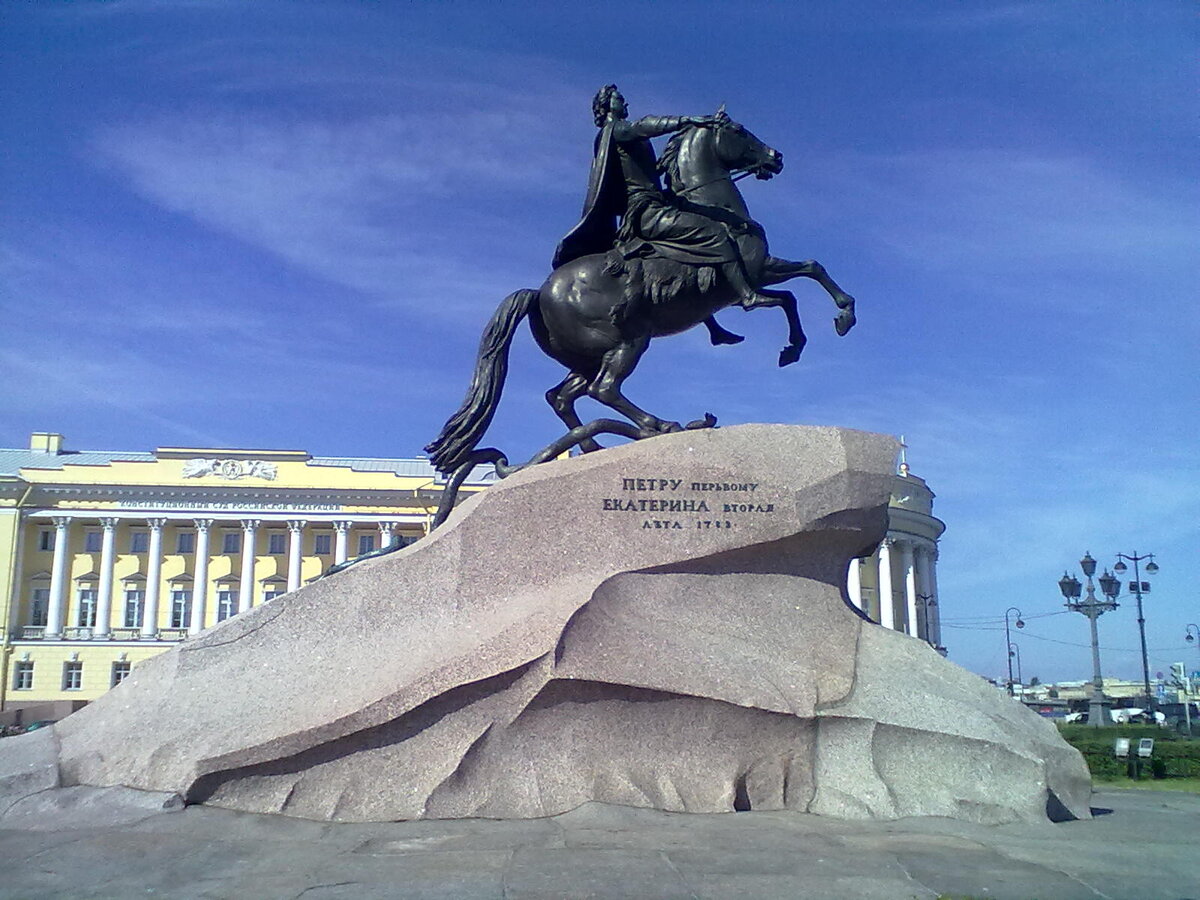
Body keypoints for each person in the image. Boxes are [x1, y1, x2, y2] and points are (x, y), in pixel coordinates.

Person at [553, 85, 767, 336]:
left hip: (653, 203)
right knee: (714, 234)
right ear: (606, 106)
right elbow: (645, 126)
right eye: (619, 99)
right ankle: (747, 295)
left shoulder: (620, 138)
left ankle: (712, 324)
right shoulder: (617, 130)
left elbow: (644, 170)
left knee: (687, 254)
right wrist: (687, 120)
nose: (625, 104)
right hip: (647, 210)